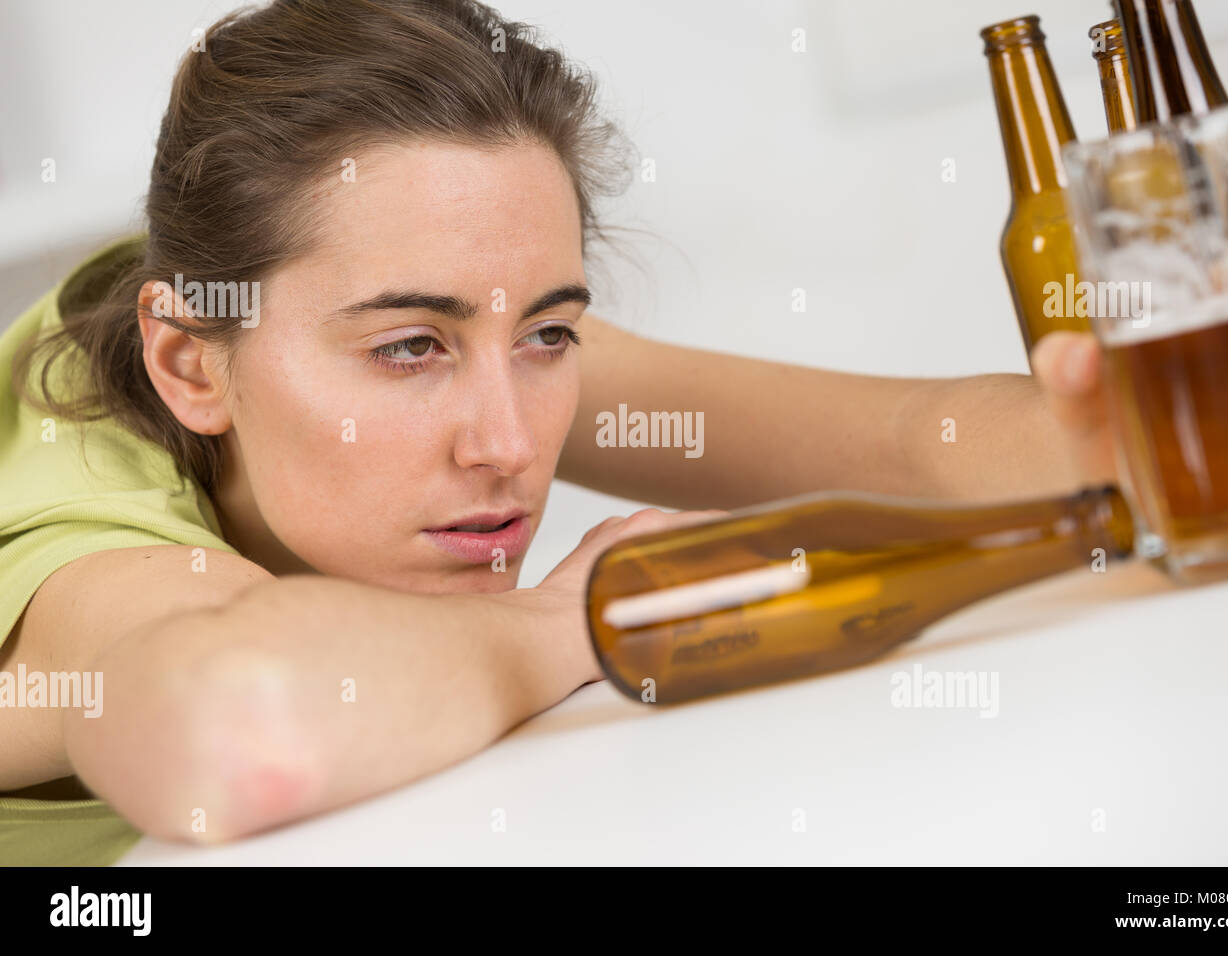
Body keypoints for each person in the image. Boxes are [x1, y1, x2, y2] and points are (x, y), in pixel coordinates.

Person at [0, 0, 1115, 865]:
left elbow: (909, 444)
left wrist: (1157, 427)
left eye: (546, 333)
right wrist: (582, 617)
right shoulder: (78, 539)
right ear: (188, 362)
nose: (505, 443)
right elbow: (241, 727)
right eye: (408, 350)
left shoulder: (322, 311)